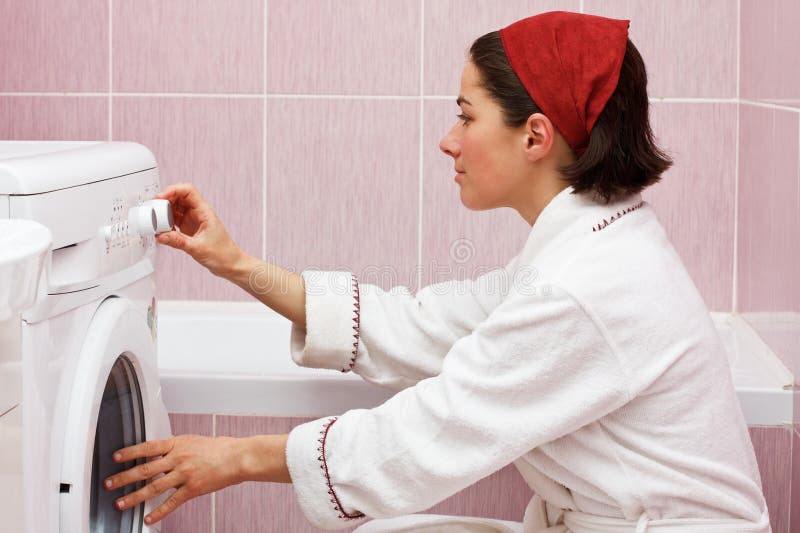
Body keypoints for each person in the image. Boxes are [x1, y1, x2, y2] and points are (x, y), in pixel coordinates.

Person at [103, 11, 772, 533]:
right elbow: (419, 325)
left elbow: (428, 434)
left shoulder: (586, 284)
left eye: (465, 115)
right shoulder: (590, 245)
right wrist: (238, 264)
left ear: (535, 137)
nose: (448, 139)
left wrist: (233, 457)